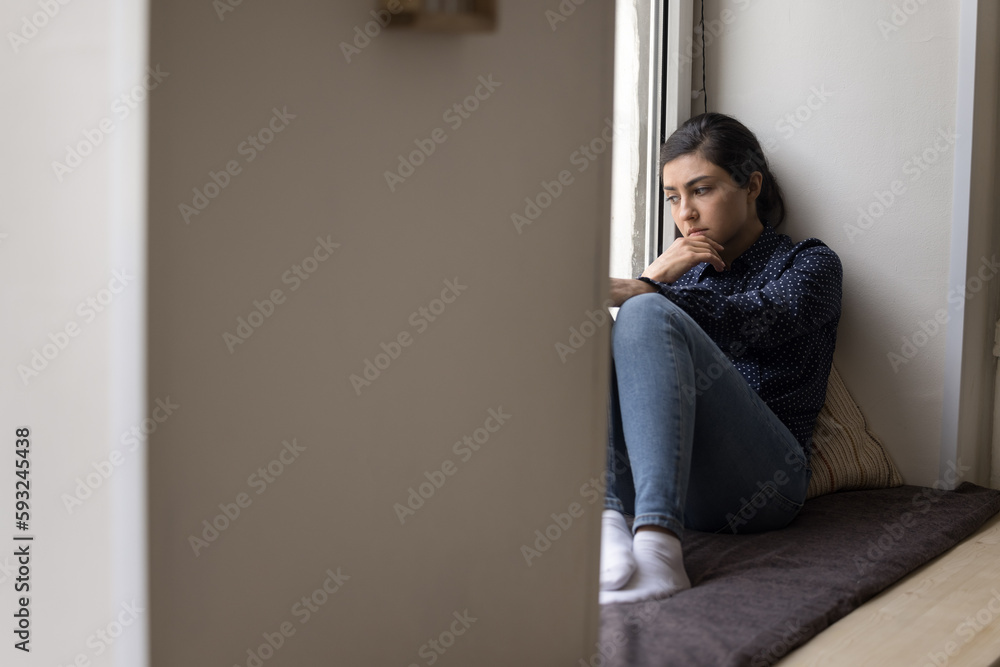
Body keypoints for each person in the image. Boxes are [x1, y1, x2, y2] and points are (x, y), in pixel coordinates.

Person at [599, 112, 842, 605]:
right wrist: (657, 277)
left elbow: (757, 320)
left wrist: (649, 288)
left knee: (644, 311)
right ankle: (604, 521)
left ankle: (660, 550)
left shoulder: (810, 264)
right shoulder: (676, 275)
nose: (684, 213)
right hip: (657, 473)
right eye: (672, 197)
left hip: (759, 485)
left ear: (751, 185)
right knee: (590, 324)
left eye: (701, 190)